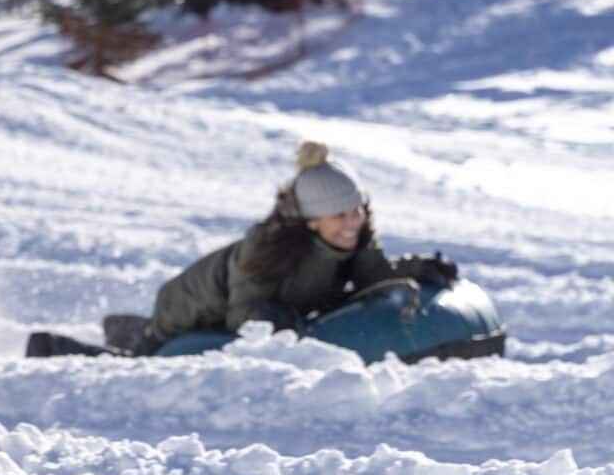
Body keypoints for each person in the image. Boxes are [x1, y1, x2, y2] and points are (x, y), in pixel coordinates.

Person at [25, 141, 460, 358]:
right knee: (154, 361)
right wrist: (280, 319)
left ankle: (127, 327)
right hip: (194, 305)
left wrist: (418, 268)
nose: (354, 223)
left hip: (228, 305)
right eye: (341, 216)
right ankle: (53, 348)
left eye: (357, 212)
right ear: (312, 222)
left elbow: (374, 277)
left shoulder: (354, 239)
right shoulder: (267, 247)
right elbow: (243, 312)